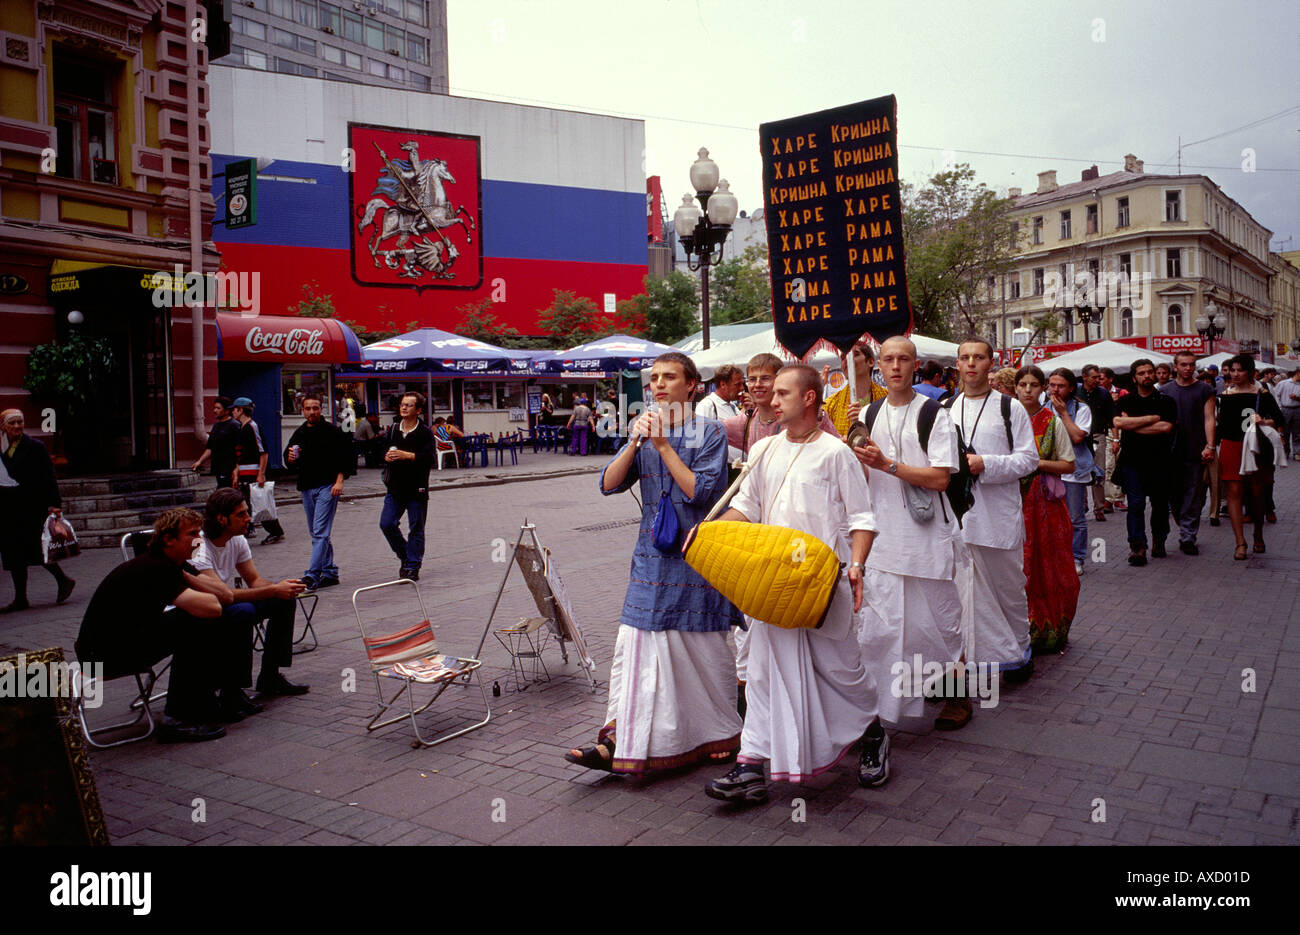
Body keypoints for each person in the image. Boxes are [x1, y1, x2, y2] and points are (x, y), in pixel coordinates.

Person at [704, 363, 881, 803]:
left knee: (840, 672)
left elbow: (863, 520)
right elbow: (745, 508)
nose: (771, 399)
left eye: (782, 392)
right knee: (763, 673)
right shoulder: (765, 451)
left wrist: (856, 566)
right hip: (772, 584)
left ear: (808, 398)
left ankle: (873, 734)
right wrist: (708, 538)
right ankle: (750, 766)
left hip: (822, 584)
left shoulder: (836, 452)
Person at [564, 352, 741, 775]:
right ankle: (618, 739)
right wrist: (633, 442)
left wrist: (662, 444)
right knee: (635, 644)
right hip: (650, 556)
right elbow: (607, 484)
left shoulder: (709, 431)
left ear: (692, 385)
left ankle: (715, 732)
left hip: (696, 554)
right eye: (654, 378)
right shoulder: (642, 431)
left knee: (699, 647)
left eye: (669, 377)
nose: (658, 385)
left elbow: (700, 492)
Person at [853, 338, 969, 731]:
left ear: (915, 365)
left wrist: (887, 465)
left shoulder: (934, 413)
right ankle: (882, 705)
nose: (896, 366)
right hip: (883, 537)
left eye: (904, 359)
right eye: (889, 360)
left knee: (940, 619)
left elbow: (939, 478)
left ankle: (957, 695)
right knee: (883, 624)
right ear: (878, 367)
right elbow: (863, 477)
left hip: (925, 534)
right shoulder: (869, 413)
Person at [721, 352, 838, 708]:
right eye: (751, 379)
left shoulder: (824, 436)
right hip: (760, 546)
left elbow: (853, 503)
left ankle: (834, 716)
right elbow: (745, 501)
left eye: (767, 380)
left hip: (806, 548)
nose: (758, 386)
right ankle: (755, 712)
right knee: (753, 631)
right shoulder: (745, 429)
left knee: (818, 642)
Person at [75, 509, 232, 743]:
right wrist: (185, 577)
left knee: (198, 619)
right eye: (191, 534)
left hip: (121, 642)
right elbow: (213, 607)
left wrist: (185, 575)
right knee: (193, 621)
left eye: (199, 532)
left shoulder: (173, 563)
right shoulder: (155, 567)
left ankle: (203, 703)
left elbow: (226, 595)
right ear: (169, 539)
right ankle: (177, 719)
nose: (199, 539)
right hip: (100, 657)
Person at [945, 340, 1039, 682]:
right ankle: (975, 662)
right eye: (965, 357)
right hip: (959, 522)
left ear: (991, 363)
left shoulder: (1008, 408)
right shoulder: (945, 409)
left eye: (979, 357)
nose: (972, 363)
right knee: (965, 597)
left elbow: (1029, 460)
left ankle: (1018, 653)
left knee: (1008, 590)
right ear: (957, 364)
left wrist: (987, 463)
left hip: (998, 518)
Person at [190, 488, 310, 709]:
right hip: (200, 609)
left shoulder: (237, 539)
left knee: (283, 599)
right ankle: (232, 690)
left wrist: (282, 587)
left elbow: (254, 581)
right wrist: (272, 590)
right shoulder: (198, 545)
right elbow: (220, 595)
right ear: (221, 518)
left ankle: (270, 676)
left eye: (247, 512)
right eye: (241, 514)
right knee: (243, 611)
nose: (248, 519)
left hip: (222, 601)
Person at [1015, 366, 1078, 653]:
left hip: (1045, 506)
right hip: (1011, 503)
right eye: (1023, 384)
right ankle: (1016, 629)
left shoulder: (1051, 422)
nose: (1028, 390)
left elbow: (1068, 464)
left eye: (1033, 385)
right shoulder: (1006, 420)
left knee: (1048, 567)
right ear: (1015, 388)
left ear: (1043, 389)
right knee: (1017, 568)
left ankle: (1047, 628)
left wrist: (1034, 463)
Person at [0, 409, 74, 613]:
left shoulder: (35, 447)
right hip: (8, 510)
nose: (17, 427)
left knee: (35, 549)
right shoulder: (2, 448)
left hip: (31, 508)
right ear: (4, 427)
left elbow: (49, 477)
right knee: (13, 553)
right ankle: (20, 598)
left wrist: (55, 504)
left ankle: (64, 580)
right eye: (12, 423)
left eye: (20, 422)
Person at [1217, 355, 1283, 559]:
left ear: (1250, 372)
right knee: (1234, 492)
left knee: (1257, 493)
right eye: (1231, 370)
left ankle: (1258, 534)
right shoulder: (1225, 394)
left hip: (1255, 447)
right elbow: (1222, 426)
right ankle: (1240, 542)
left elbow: (1278, 419)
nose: (1235, 374)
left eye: (1239, 370)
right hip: (1231, 445)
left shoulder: (1262, 394)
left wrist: (1264, 422)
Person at [1112, 359, 1177, 566]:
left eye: (1150, 372)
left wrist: (1133, 425)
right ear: (1134, 377)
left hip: (1160, 460)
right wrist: (1151, 419)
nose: (1147, 376)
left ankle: (1159, 541)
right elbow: (1118, 423)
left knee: (1159, 505)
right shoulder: (1125, 401)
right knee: (1136, 505)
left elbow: (1166, 428)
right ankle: (1137, 547)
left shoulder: (1166, 401)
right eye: (1142, 373)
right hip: (1132, 461)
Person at [283, 393, 351, 590]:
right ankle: (330, 571)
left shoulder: (332, 431)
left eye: (315, 408)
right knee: (317, 531)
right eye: (308, 408)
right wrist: (290, 458)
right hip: (306, 486)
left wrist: (339, 482)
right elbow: (289, 461)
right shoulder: (300, 433)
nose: (311, 412)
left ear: (321, 409)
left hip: (327, 486)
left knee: (319, 532)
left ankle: (312, 575)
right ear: (302, 410)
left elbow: (345, 458)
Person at [1159, 351, 1218, 555]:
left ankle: (1188, 536)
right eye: (1183, 365)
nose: (1188, 368)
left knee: (1194, 495)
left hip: (1196, 449)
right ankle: (1184, 525)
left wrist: (1210, 445)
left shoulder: (1205, 389)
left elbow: (1209, 418)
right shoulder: (1165, 390)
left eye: (1191, 365)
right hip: (1171, 450)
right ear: (1175, 366)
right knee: (1174, 496)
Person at [379, 392, 434, 581]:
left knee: (416, 527)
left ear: (418, 410)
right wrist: (386, 456)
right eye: (402, 404)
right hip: (395, 487)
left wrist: (407, 455)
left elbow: (429, 459)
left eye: (409, 405)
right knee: (386, 524)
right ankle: (405, 555)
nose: (403, 408)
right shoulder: (393, 429)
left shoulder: (424, 432)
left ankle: (412, 566)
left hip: (416, 488)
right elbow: (383, 450)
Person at [1048, 369, 1095, 576]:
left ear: (1070, 387)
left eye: (1060, 386)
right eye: (1052, 385)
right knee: (1051, 516)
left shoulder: (1081, 408)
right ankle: (1056, 556)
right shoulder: (1044, 406)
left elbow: (1077, 437)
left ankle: (1077, 557)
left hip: (1074, 470)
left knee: (1075, 517)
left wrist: (1064, 414)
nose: (1056, 390)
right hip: (1051, 469)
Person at [230, 397, 286, 544]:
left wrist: (261, 474)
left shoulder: (252, 426)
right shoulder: (241, 428)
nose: (232, 413)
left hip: (253, 473)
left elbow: (263, 452)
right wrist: (236, 473)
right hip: (244, 473)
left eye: (234, 409)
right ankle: (245, 530)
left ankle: (275, 532)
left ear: (241, 410)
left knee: (261, 503)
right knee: (248, 503)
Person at [824, 341, 887, 436]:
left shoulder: (888, 399)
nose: (847, 360)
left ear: (870, 362)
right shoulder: (830, 404)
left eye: (855, 354)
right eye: (843, 358)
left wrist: (866, 416)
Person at [1078, 364, 1114, 523]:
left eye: (1099, 377)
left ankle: (1099, 508)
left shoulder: (1103, 393)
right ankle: (1082, 505)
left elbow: (1112, 417)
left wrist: (1116, 439)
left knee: (1099, 472)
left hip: (1098, 435)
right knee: (1080, 471)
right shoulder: (1076, 392)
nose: (1097, 380)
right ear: (1084, 377)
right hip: (1079, 437)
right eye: (1094, 377)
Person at [190, 396, 240, 488]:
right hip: (219, 467)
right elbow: (210, 447)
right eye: (214, 408)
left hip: (229, 468)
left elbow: (240, 449)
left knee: (227, 494)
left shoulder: (234, 425)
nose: (214, 410)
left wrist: (236, 469)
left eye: (218, 408)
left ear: (227, 411)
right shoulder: (216, 426)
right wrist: (200, 461)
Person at [1277, 369, 1300, 460]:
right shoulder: (1284, 383)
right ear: (1297, 373)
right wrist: (1279, 408)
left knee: (1297, 432)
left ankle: (1297, 452)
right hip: (1285, 408)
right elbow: (1276, 395)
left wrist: (1297, 398)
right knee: (1284, 431)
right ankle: (1286, 451)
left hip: (1298, 408)